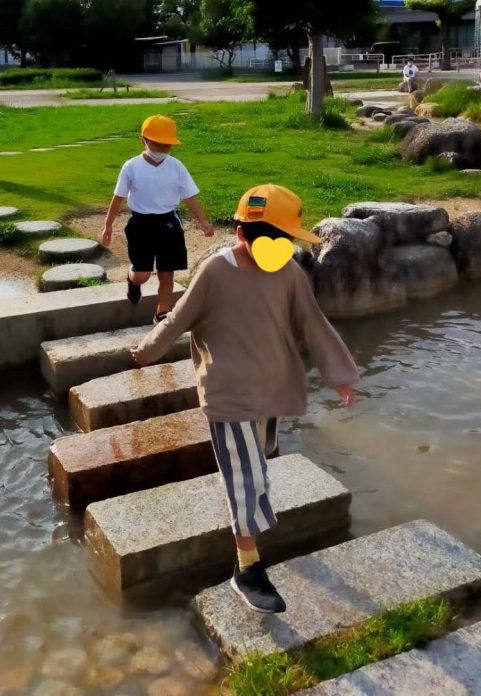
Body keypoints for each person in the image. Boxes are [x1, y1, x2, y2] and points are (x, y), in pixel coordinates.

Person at [130, 184, 360, 614]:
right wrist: (147, 351)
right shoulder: (216, 272)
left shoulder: (289, 273)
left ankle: (243, 502)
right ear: (241, 233)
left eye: (285, 240)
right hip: (227, 392)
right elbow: (179, 318)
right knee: (247, 480)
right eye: (271, 239)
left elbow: (313, 322)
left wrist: (339, 373)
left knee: (258, 466)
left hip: (269, 389)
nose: (279, 248)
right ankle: (248, 567)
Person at [101, 114, 214, 324]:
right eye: (157, 143)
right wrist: (108, 226)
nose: (162, 149)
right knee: (142, 275)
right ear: (143, 140)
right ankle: (133, 280)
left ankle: (163, 312)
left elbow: (190, 196)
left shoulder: (176, 166)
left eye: (167, 145)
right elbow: (119, 197)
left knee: (167, 273)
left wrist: (203, 221)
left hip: (168, 224)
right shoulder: (131, 167)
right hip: (141, 224)